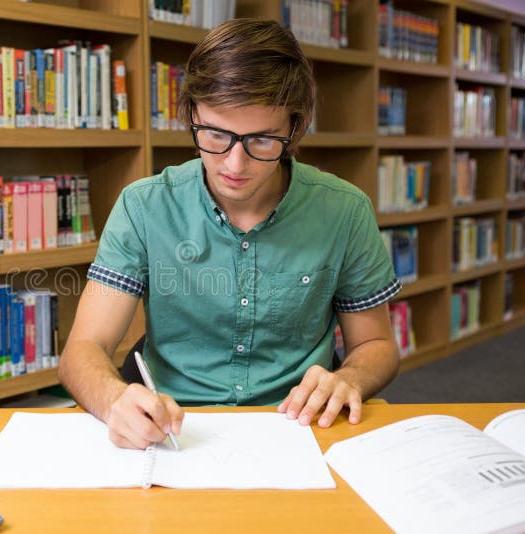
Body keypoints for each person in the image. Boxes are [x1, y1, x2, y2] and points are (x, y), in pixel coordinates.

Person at [58, 18, 401, 450]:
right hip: (174, 431)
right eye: (216, 135)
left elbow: (376, 342)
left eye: (261, 141)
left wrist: (349, 378)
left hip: (299, 430)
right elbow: (83, 349)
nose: (234, 166)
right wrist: (113, 400)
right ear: (190, 115)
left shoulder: (345, 211)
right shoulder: (143, 206)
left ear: (294, 128)